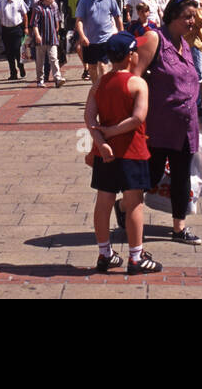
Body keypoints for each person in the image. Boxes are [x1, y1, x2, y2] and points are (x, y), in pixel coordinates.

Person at [85, 32, 161, 274]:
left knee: (104, 200)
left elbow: (88, 117)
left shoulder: (99, 83)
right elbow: (138, 118)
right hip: (132, 150)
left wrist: (101, 138)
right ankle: (136, 257)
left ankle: (105, 253)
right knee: (134, 202)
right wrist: (111, 132)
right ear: (131, 56)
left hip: (105, 153)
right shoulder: (137, 84)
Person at [131, 0, 202, 246]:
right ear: (172, 16)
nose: (192, 21)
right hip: (158, 124)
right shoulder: (154, 39)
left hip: (186, 126)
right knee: (151, 175)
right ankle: (125, 207)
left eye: (194, 16)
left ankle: (179, 227)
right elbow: (134, 76)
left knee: (182, 174)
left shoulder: (185, 44)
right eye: (187, 17)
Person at [75, 0, 123, 86]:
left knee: (103, 65)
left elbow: (117, 17)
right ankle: (96, 88)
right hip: (90, 40)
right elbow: (79, 20)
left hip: (106, 38)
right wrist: (82, 36)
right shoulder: (84, 0)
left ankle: (102, 89)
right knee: (92, 67)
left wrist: (121, 34)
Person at [0, 0, 31, 79]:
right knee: (9, 52)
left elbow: (25, 14)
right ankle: (13, 72)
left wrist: (26, 27)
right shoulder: (0, 0)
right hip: (5, 29)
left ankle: (21, 67)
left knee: (17, 49)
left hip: (17, 28)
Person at [30, 0, 64, 87]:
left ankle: (57, 78)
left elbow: (56, 20)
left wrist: (57, 30)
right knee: (40, 61)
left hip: (52, 38)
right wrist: (37, 35)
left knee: (54, 58)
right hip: (41, 39)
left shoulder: (52, 8)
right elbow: (34, 24)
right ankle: (40, 80)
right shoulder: (38, 9)